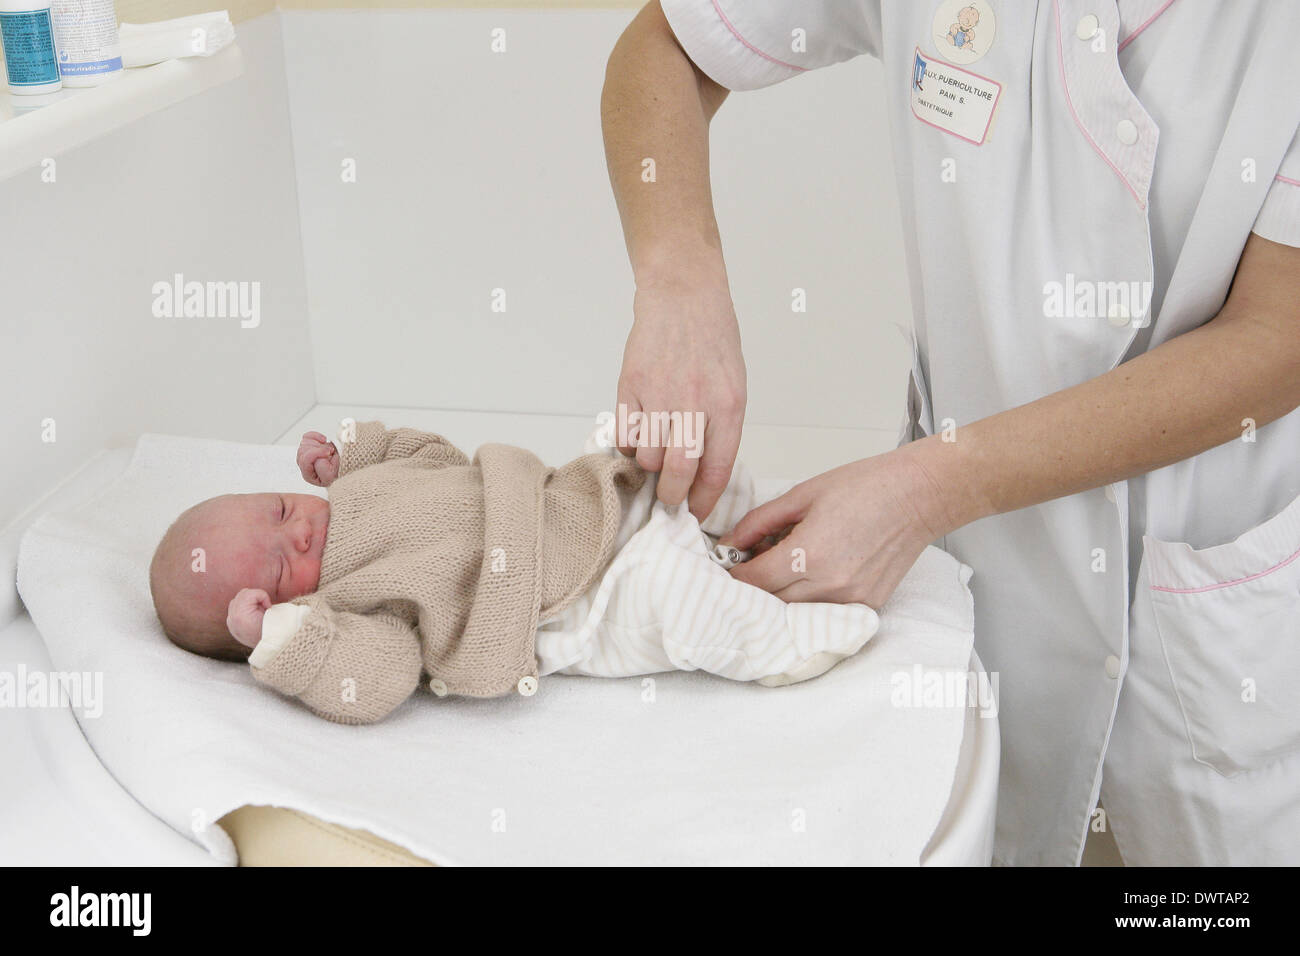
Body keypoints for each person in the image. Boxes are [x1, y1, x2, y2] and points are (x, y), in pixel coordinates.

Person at [600, 0, 1300, 865]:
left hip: (1209, 618)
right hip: (977, 591)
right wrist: (679, 284)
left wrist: (934, 487)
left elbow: (1279, 333)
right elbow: (666, 47)